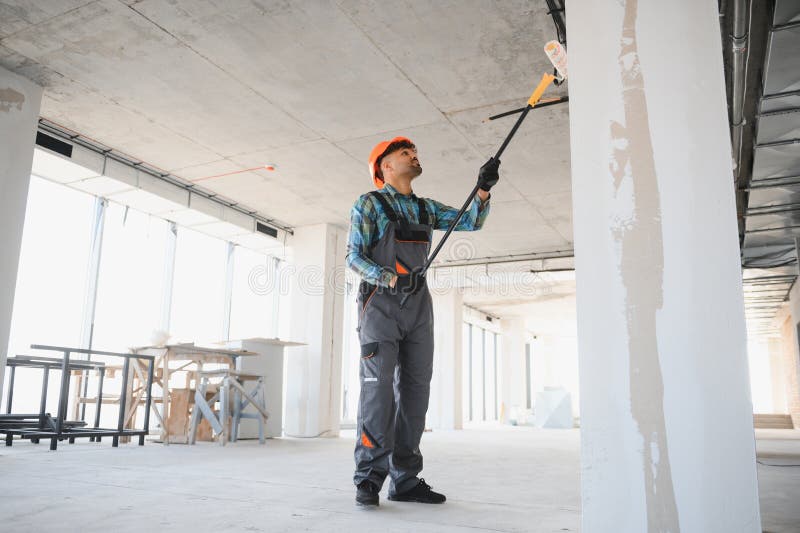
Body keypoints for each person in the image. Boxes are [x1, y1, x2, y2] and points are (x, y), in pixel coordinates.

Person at [346, 136, 499, 507]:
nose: (414, 156)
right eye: (405, 153)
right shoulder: (370, 204)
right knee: (378, 394)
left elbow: (470, 221)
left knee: (415, 396)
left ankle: (406, 479)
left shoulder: (424, 208)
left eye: (415, 151)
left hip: (417, 309)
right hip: (379, 306)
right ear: (384, 165)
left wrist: (482, 189)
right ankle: (369, 479)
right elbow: (354, 257)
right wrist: (392, 278)